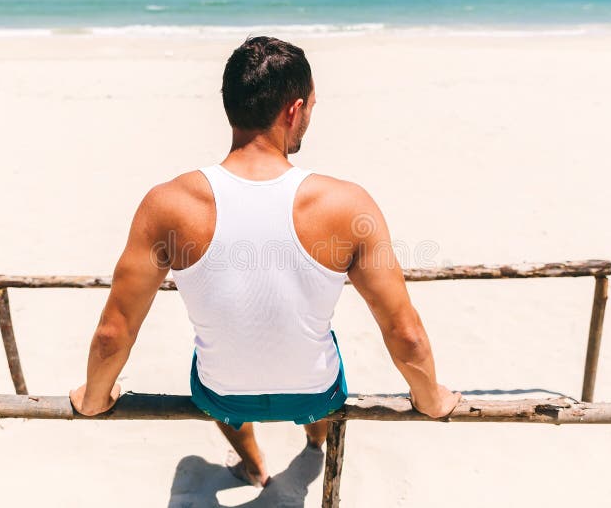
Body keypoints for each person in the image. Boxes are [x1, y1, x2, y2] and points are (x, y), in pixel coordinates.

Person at [69, 36, 461, 488]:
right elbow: (405, 333)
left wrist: (94, 397)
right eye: (311, 107)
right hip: (315, 393)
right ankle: (315, 437)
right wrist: (432, 399)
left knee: (210, 354)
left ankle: (254, 464)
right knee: (321, 347)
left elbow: (113, 331)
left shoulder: (169, 204)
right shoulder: (347, 204)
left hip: (222, 396)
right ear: (293, 110)